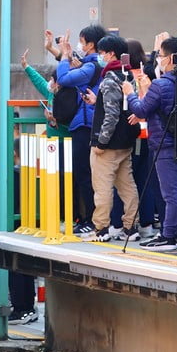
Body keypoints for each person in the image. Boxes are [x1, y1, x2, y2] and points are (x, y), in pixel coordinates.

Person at [124, 36, 177, 251]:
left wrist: (131, 93)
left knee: (171, 193)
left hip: (164, 142)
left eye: (160, 56)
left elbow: (141, 110)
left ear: (170, 58)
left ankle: (169, 235)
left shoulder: (161, 85)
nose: (159, 60)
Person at [87, 35, 140, 242]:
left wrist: (101, 142)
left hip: (107, 146)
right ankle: (131, 227)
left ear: (110, 54)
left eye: (101, 53)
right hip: (125, 142)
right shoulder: (127, 76)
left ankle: (101, 229)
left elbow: (111, 115)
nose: (100, 57)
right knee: (127, 186)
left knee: (102, 187)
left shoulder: (109, 79)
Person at [56, 24, 107, 235]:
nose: (80, 45)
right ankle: (93, 218)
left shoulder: (89, 68)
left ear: (91, 44)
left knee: (84, 174)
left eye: (82, 42)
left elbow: (62, 79)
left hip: (84, 125)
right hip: (90, 124)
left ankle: (89, 219)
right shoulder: (94, 65)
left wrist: (63, 58)